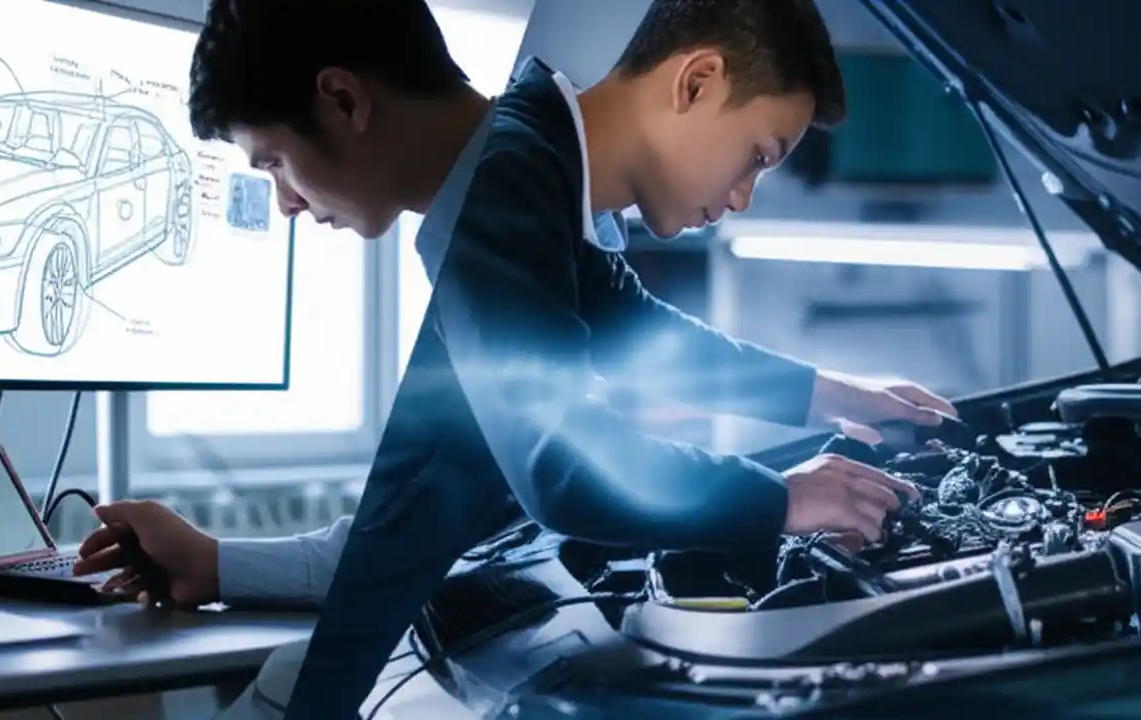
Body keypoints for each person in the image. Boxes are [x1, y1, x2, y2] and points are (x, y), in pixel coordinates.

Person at [74, 0, 957, 716]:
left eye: (275, 165)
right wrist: (786, 496)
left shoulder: (525, 179)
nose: (287, 204)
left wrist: (837, 398)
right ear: (697, 82)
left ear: (345, 100)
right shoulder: (509, 188)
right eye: (755, 156)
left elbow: (638, 335)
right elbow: (559, 473)